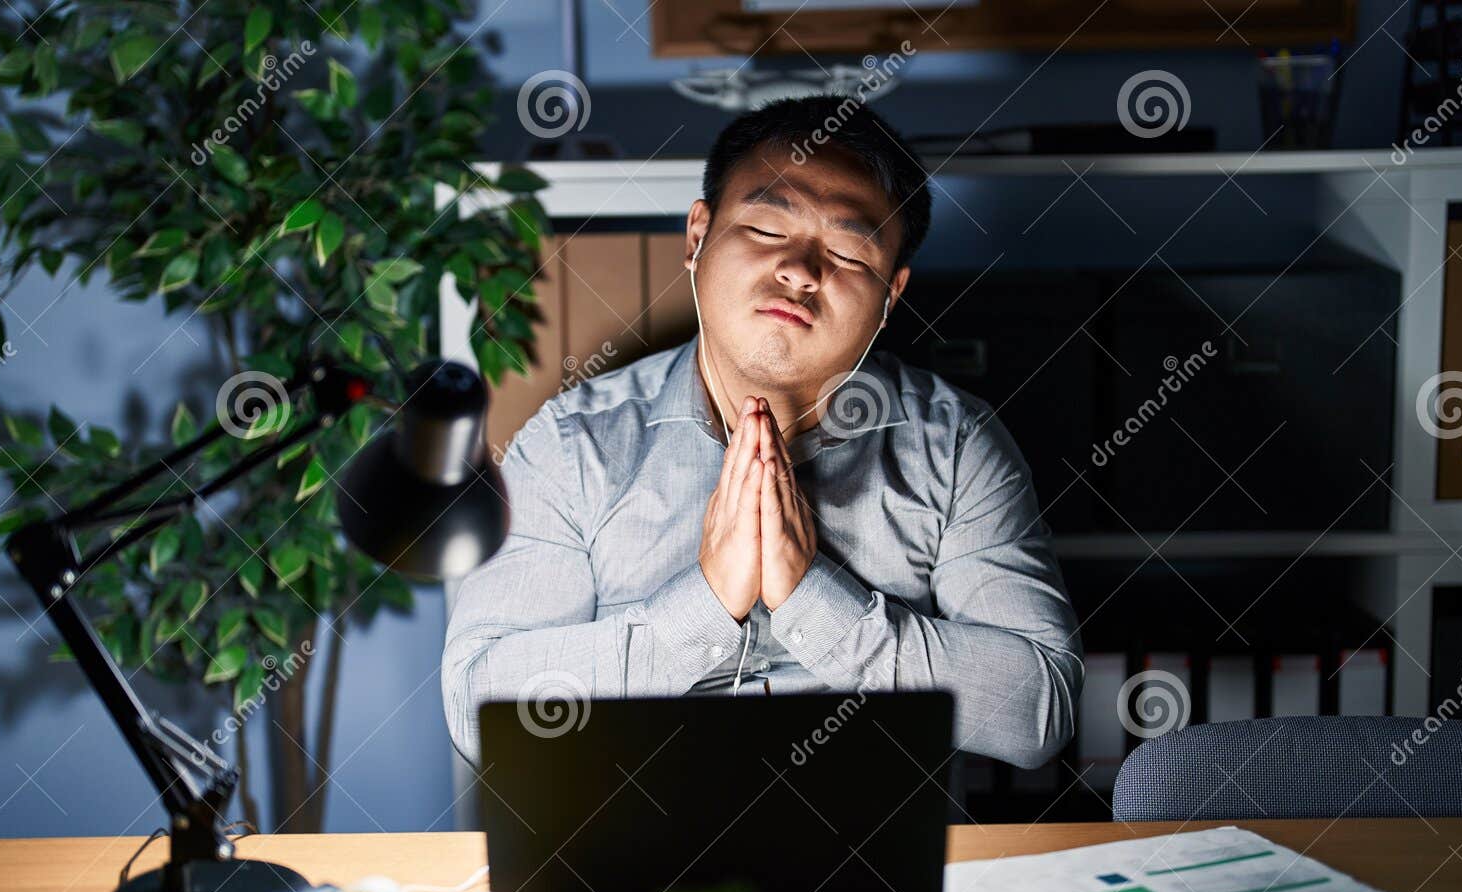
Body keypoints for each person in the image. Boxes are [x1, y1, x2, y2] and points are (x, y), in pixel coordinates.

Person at [442, 95, 1081, 773]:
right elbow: (479, 704)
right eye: (769, 228)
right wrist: (707, 604)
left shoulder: (955, 446)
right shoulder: (573, 443)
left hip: (873, 862)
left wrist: (813, 595)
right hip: (626, 862)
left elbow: (1040, 710)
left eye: (848, 251)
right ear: (697, 238)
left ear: (890, 297)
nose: (802, 271)